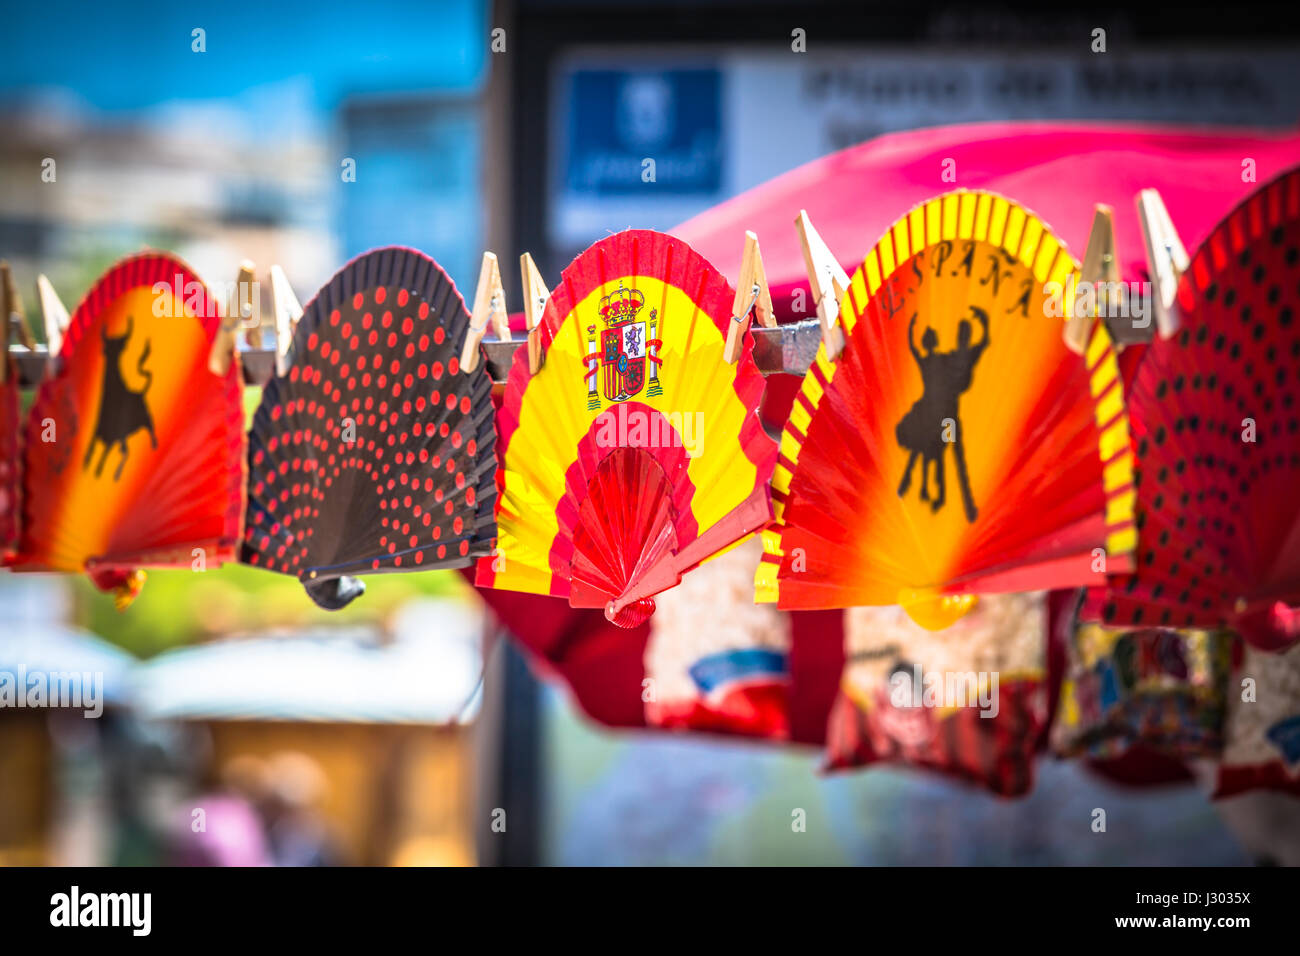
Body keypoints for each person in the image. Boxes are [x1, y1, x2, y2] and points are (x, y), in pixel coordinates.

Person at [896, 306, 989, 522]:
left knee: (946, 452)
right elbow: (914, 350)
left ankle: (963, 504)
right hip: (939, 415)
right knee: (934, 450)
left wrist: (982, 322)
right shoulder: (943, 359)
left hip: (945, 416)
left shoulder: (951, 357)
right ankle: (913, 488)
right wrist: (910, 328)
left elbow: (980, 344)